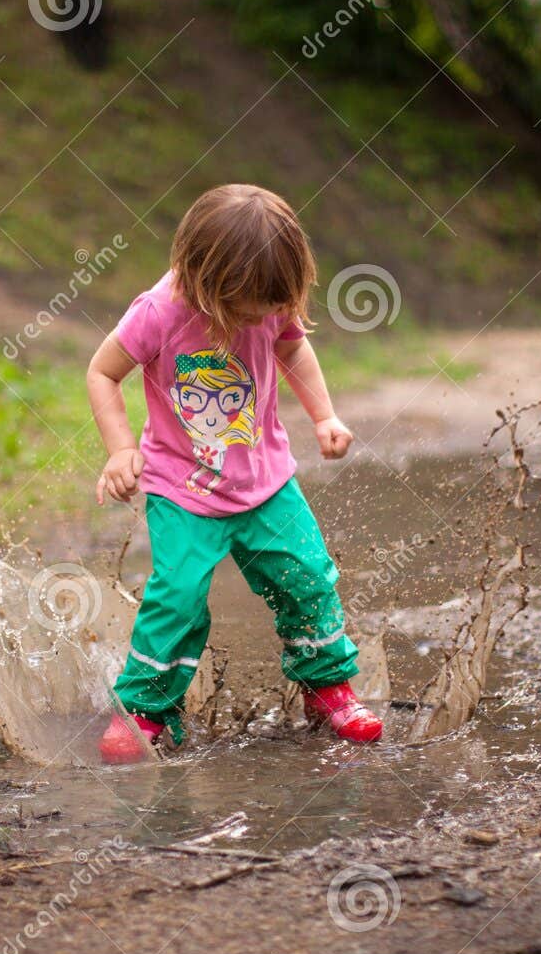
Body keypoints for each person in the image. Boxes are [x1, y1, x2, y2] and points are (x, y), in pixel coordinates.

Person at [85, 183, 383, 765]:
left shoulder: (271, 297)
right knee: (177, 595)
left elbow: (293, 349)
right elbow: (102, 372)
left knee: (307, 577)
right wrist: (121, 450)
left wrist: (324, 415)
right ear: (201, 276)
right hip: (182, 487)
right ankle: (147, 712)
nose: (260, 318)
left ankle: (328, 690)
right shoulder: (159, 312)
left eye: (270, 308)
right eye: (247, 309)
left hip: (266, 483)